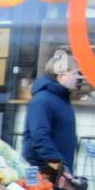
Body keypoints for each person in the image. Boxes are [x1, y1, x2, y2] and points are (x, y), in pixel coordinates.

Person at [23, 49, 80, 181]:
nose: (77, 77)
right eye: (74, 73)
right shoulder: (43, 100)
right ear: (61, 75)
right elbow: (40, 137)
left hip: (56, 170)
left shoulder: (61, 98)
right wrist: (59, 167)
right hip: (43, 172)